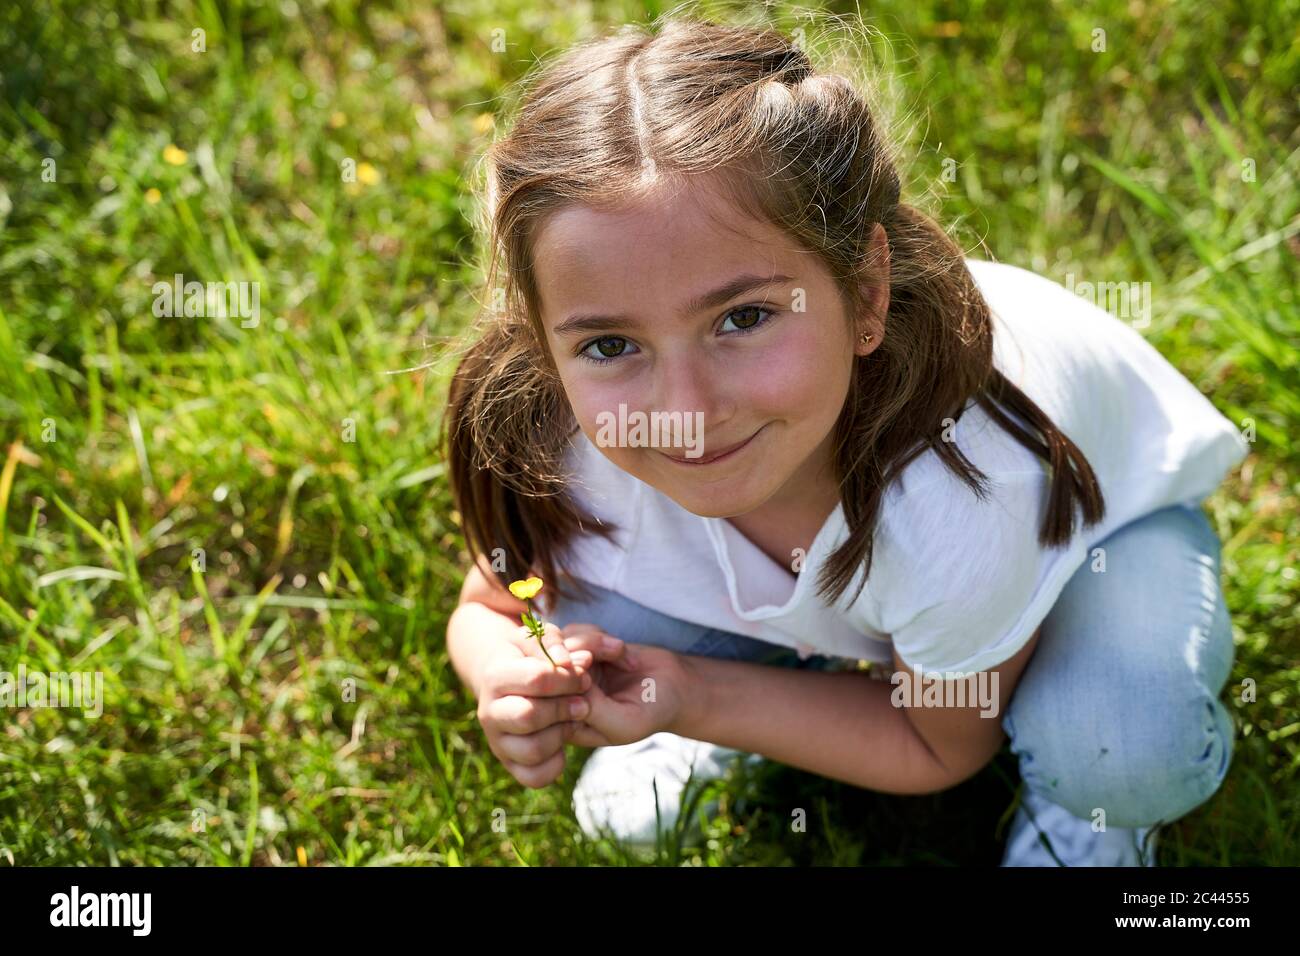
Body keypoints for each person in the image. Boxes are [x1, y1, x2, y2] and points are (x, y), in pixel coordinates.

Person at [443, 17, 1247, 866]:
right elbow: (493, 603)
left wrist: (696, 695)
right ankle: (773, 697)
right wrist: (508, 673)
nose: (684, 409)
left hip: (1101, 541)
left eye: (743, 318)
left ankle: (1092, 811)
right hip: (883, 594)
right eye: (608, 345)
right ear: (543, 341)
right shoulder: (560, 432)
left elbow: (936, 743)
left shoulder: (964, 490)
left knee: (1121, 743)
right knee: (587, 599)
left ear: (864, 294)